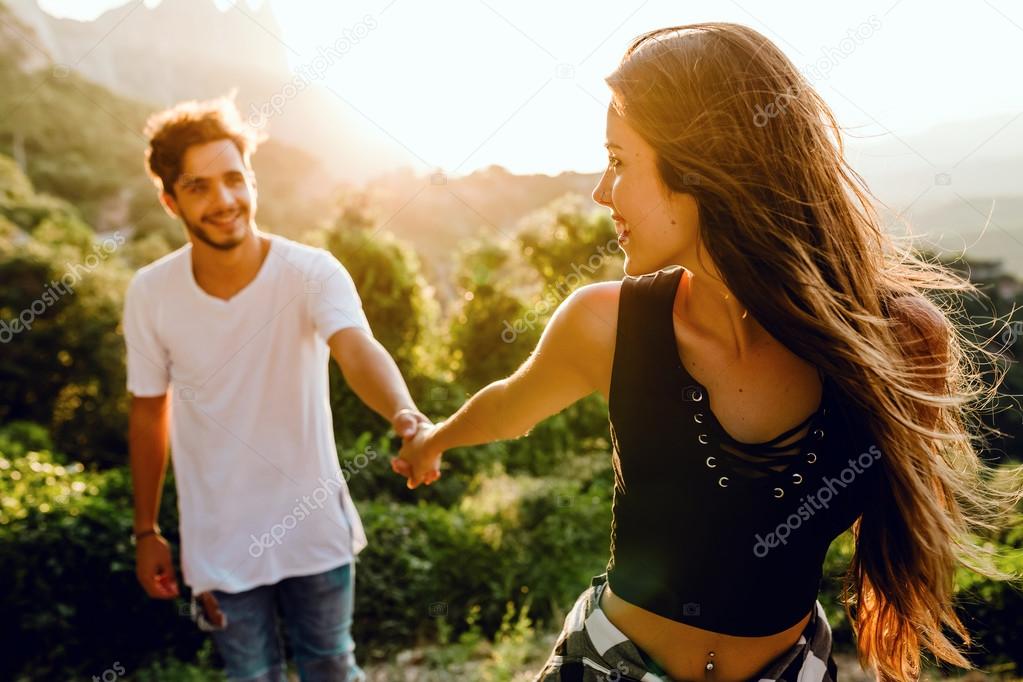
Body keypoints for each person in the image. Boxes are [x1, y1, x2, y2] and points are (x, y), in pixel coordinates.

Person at [394, 22, 1023, 682]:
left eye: (618, 161)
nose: (600, 194)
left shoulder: (898, 341)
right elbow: (507, 409)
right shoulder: (606, 322)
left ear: (700, 167)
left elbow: (904, 529)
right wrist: (432, 440)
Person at [124, 94, 430, 682]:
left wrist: (405, 414)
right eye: (198, 187)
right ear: (170, 200)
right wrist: (146, 529)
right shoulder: (150, 293)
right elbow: (146, 412)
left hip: (315, 530)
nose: (224, 201)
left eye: (234, 179)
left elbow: (357, 348)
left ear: (252, 181)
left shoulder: (311, 271)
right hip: (217, 548)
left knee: (332, 669)